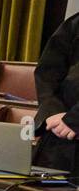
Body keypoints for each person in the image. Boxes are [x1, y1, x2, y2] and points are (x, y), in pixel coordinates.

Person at [34, 11, 79, 175]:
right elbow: (47, 72)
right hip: (58, 132)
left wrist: (74, 119)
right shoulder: (75, 23)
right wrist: (53, 112)